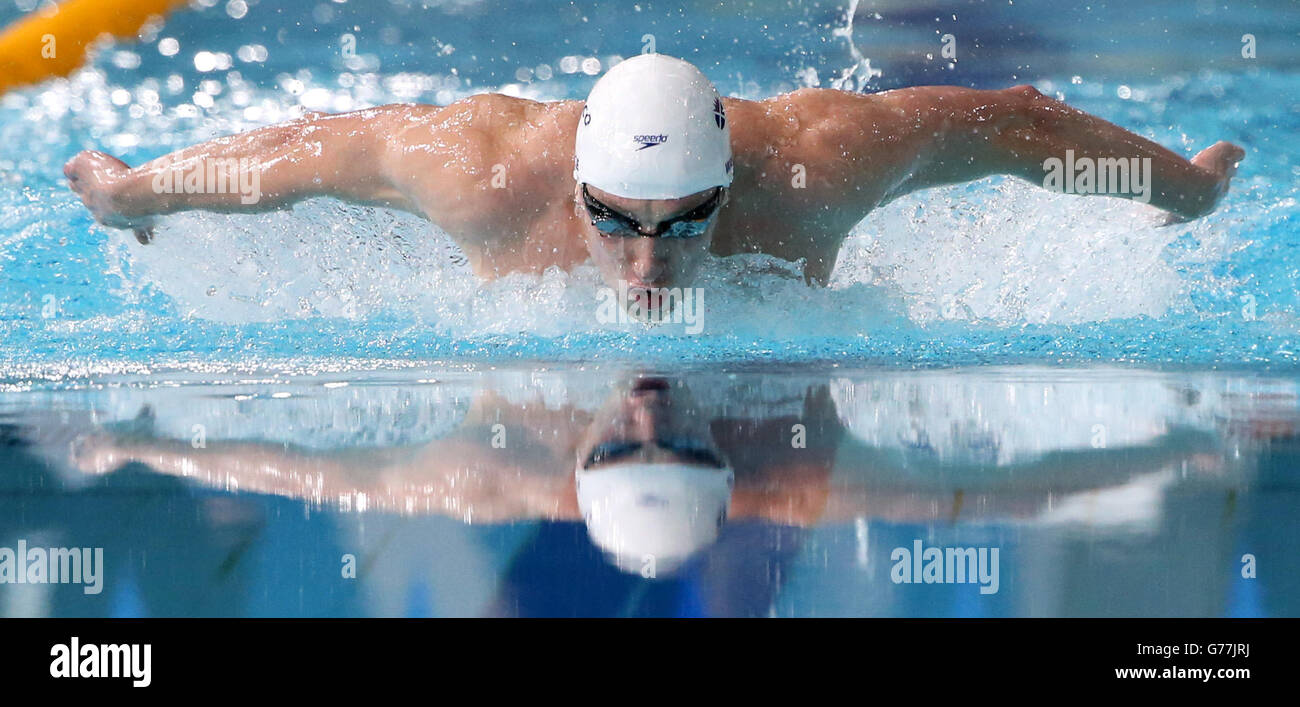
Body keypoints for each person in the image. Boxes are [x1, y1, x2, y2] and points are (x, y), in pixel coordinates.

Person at [65, 53, 1244, 294]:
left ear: (735, 177)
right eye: (616, 223)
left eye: (686, 226)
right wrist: (138, 191)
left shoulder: (817, 164)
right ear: (568, 183)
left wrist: (1181, 190)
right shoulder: (479, 171)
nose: (644, 266)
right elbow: (296, 155)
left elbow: (1010, 121)